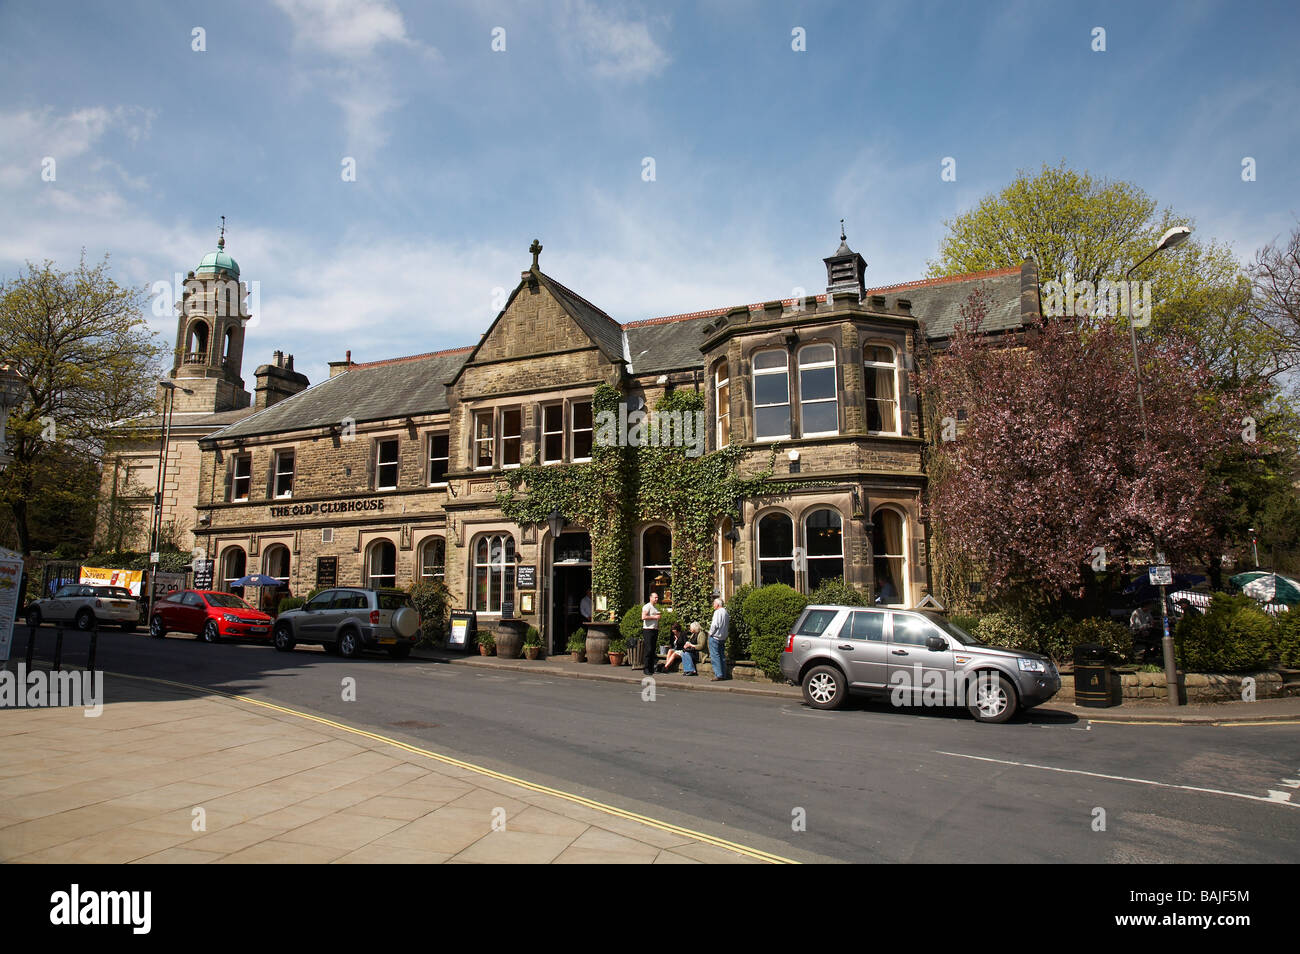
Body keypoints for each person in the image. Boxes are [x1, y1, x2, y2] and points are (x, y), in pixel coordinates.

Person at [707, 596, 730, 681]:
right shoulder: (726, 612)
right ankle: (723, 674)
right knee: (722, 656)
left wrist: (710, 633)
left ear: (717, 604)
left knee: (715, 656)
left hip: (715, 637)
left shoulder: (717, 612)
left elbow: (714, 625)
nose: (713, 605)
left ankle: (718, 674)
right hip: (723, 637)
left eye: (714, 604)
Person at [641, 592, 661, 675]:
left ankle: (651, 668)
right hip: (648, 630)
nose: (656, 599)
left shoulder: (655, 608)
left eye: (657, 597)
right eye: (655, 597)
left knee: (652, 649)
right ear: (650, 598)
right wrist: (654, 617)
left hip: (654, 630)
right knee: (648, 649)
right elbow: (643, 617)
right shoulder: (647, 606)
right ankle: (646, 668)